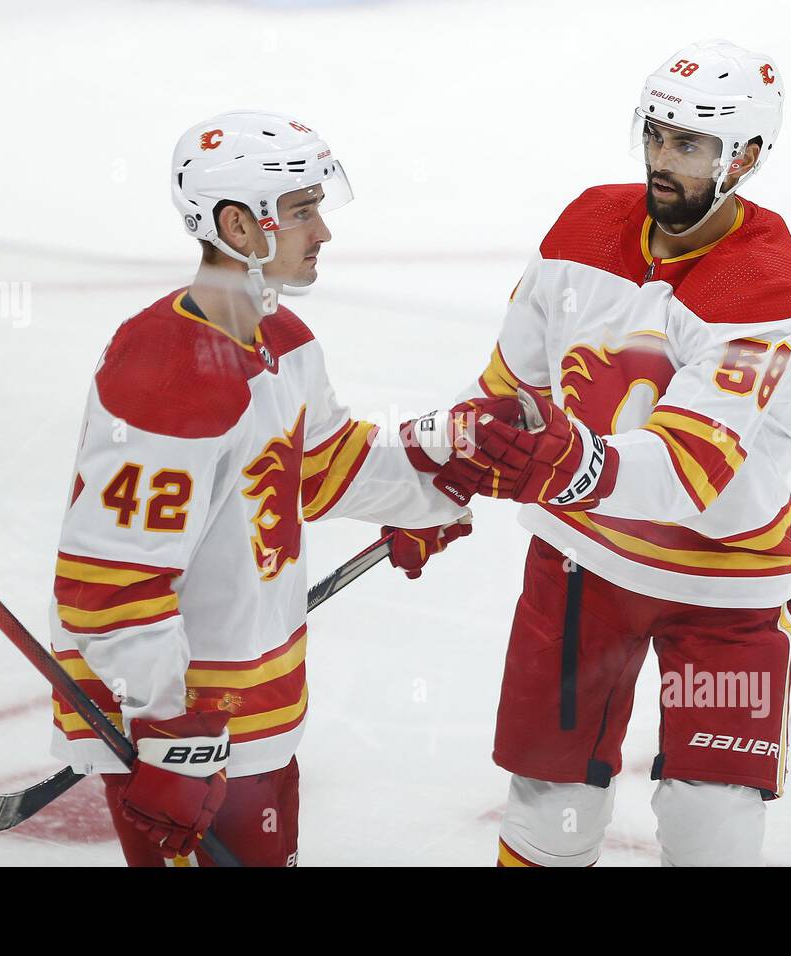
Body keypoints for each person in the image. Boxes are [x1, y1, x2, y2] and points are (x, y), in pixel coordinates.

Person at [47, 110, 474, 866]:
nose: (324, 232)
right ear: (240, 227)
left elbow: (326, 467)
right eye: (303, 211)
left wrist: (438, 486)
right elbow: (108, 583)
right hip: (186, 735)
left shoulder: (285, 342)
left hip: (253, 720)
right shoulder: (166, 370)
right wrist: (168, 732)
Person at [426, 39, 791, 866]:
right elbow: (508, 393)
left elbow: (688, 471)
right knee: (546, 816)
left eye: (691, 145)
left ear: (743, 157)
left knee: (712, 829)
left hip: (723, 584)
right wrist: (433, 488)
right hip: (578, 567)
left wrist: (572, 464)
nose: (662, 161)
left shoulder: (767, 284)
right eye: (656, 135)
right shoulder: (586, 224)